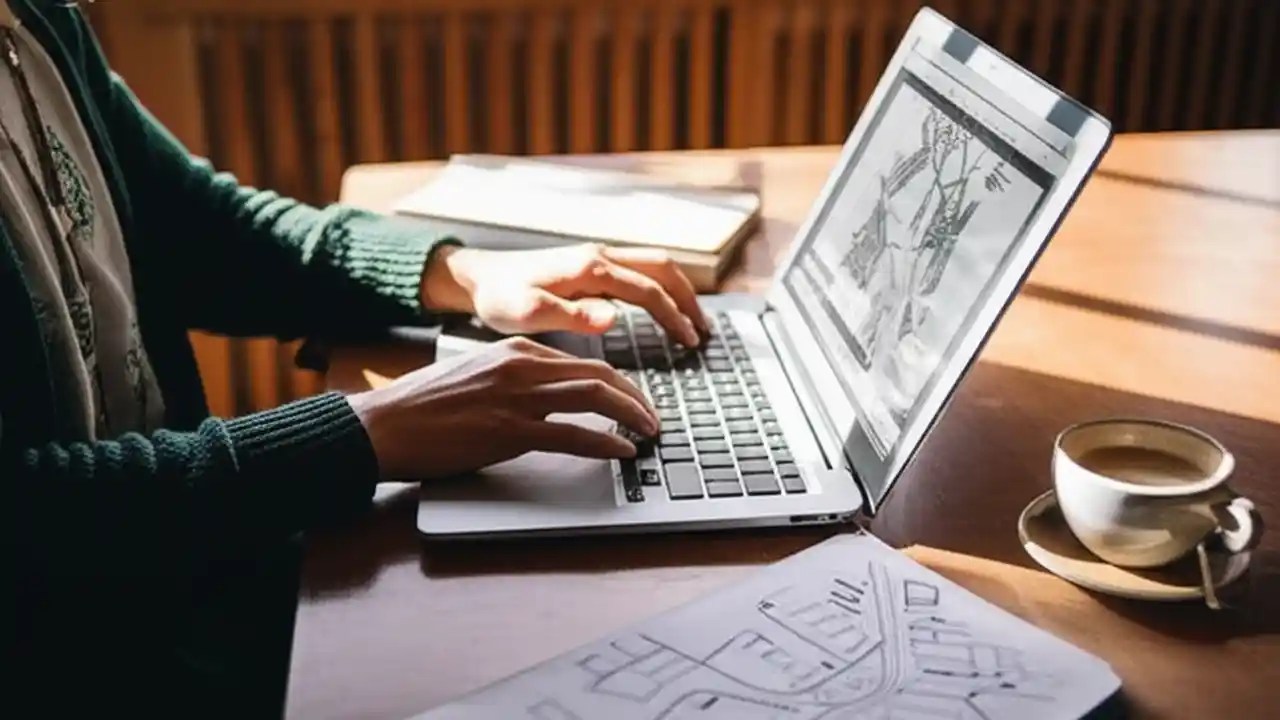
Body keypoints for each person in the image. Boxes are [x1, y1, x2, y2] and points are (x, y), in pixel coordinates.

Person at [3, 0, 706, 714]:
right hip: (90, 658)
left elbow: (198, 228)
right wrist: (363, 432)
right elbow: (29, 517)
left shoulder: (34, 19)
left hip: (193, 569)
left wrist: (462, 274)